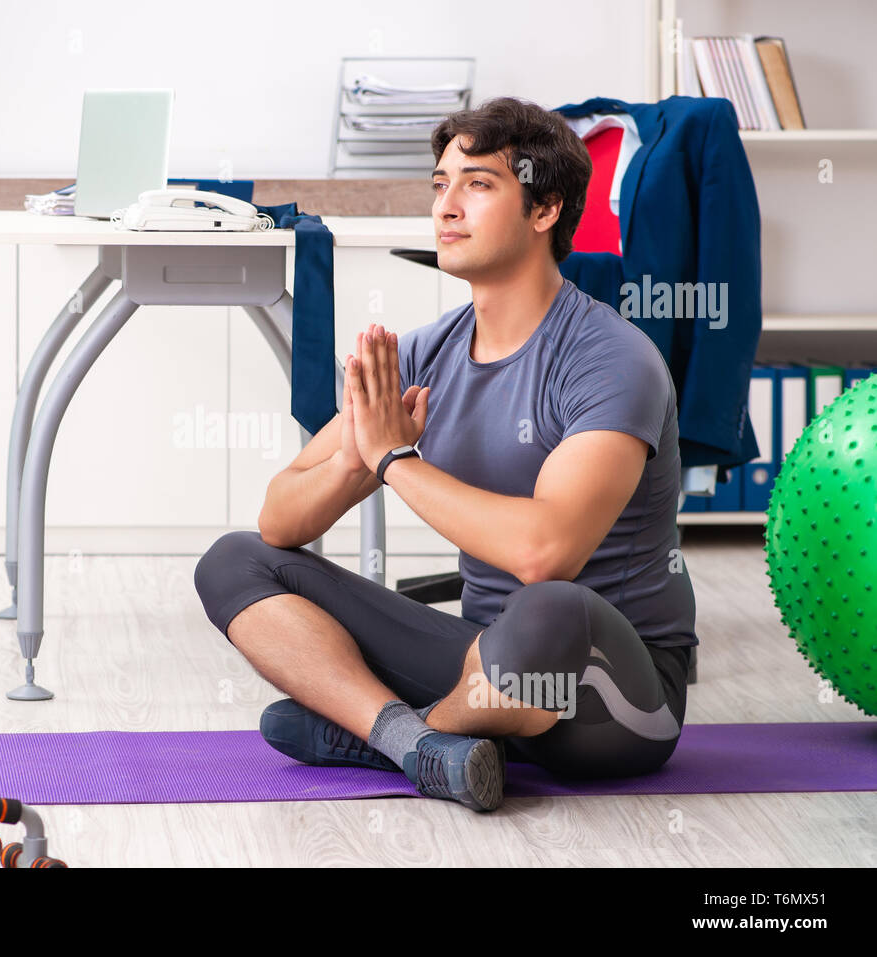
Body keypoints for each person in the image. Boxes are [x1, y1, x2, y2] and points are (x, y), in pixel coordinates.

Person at [193, 96, 698, 812]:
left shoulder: (612, 360)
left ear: (545, 209)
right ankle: (421, 744)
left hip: (608, 694)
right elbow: (280, 519)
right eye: (439, 185)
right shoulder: (430, 349)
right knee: (234, 559)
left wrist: (397, 460)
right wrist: (356, 460)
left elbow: (544, 552)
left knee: (552, 608)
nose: (447, 207)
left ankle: (382, 733)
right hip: (482, 660)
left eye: (478, 184)